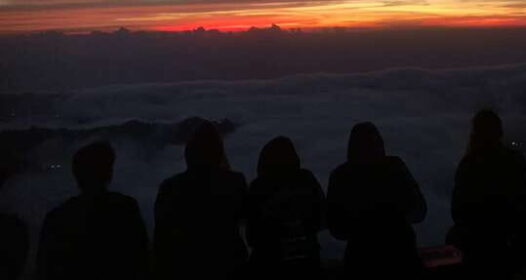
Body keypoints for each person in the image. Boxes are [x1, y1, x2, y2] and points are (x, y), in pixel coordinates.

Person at [327, 122, 427, 279]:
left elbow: (337, 229)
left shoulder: (341, 176)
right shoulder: (396, 168)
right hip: (402, 256)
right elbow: (420, 211)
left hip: (361, 260)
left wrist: (362, 225)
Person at [36, 141, 148, 280]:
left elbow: (44, 269)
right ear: (108, 173)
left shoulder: (57, 217)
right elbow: (142, 259)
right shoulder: (126, 208)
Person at [154, 120, 247, 280]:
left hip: (184, 269)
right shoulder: (234, 182)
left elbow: (161, 240)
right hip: (229, 267)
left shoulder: (170, 187)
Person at [449, 110, 526, 278]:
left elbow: (457, 210)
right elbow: (524, 197)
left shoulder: (469, 165)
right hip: (509, 242)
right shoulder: (515, 160)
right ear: (500, 132)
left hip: (477, 245)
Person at [245, 136, 325, 279]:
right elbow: (322, 219)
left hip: (269, 265)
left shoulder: (258, 187)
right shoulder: (307, 179)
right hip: (308, 263)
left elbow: (252, 237)